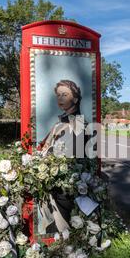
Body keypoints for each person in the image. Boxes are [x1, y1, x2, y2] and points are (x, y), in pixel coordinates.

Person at [36, 80, 95, 235]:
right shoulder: (60, 122)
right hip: (55, 176)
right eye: (58, 95)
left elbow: (74, 154)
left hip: (66, 182)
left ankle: (64, 236)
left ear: (75, 99)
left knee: (61, 214)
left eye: (65, 94)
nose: (60, 98)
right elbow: (47, 145)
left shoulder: (78, 123)